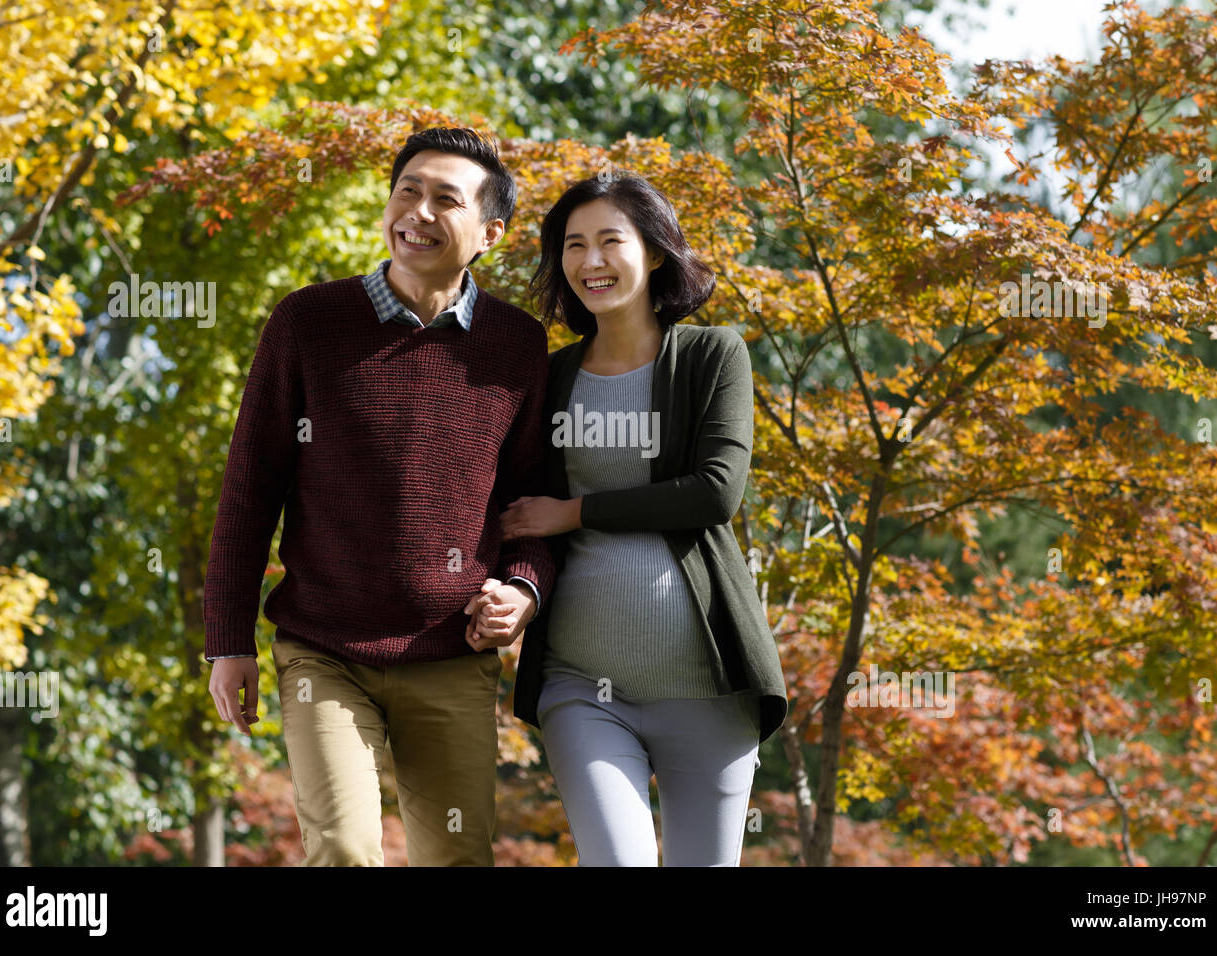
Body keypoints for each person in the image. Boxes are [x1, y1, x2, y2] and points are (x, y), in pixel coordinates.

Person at [203, 127, 555, 866]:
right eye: (408, 191)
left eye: (444, 200)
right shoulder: (307, 322)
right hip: (323, 651)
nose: (418, 212)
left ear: (490, 231)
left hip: (453, 654)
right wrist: (228, 639)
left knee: (458, 858)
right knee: (346, 849)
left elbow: (533, 504)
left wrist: (523, 589)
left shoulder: (518, 346)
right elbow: (247, 490)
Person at [500, 173, 788, 866]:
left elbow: (716, 492)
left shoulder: (712, 356)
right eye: (573, 245)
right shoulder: (552, 375)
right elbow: (518, 510)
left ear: (654, 252)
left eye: (610, 241)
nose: (590, 261)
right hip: (581, 684)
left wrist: (576, 512)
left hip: (708, 689)